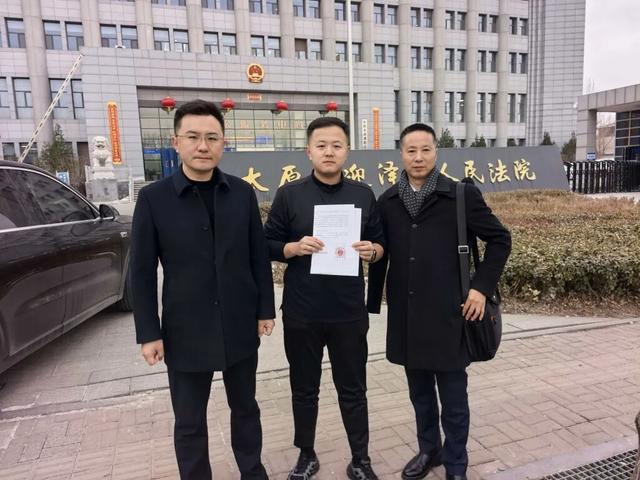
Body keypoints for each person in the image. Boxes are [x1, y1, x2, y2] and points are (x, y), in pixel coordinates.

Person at [131, 99, 276, 480]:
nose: (202, 146)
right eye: (193, 137)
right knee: (189, 420)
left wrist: (265, 309)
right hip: (185, 330)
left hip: (238, 323)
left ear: (223, 143)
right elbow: (141, 273)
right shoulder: (153, 199)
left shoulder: (241, 193)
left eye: (212, 137)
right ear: (176, 142)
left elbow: (258, 256)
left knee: (246, 409)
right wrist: (149, 332)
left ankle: (252, 471)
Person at [367, 123, 511, 480]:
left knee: (453, 397)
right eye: (411, 151)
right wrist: (372, 297)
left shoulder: (460, 196)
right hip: (408, 316)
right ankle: (429, 450)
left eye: (425, 150)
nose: (418, 157)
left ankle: (456, 463)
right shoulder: (388, 201)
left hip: (452, 313)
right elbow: (381, 251)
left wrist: (480, 288)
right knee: (420, 394)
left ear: (436, 152)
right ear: (401, 154)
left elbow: (500, 240)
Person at [264, 116, 385, 480]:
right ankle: (306, 455)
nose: (329, 152)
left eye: (336, 145)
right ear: (309, 151)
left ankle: (360, 459)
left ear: (347, 150)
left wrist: (373, 251)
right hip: (302, 312)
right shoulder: (290, 195)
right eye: (321, 145)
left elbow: (382, 243)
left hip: (348, 312)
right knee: (304, 389)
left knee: (354, 389)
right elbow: (267, 243)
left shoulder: (363, 194)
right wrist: (293, 247)